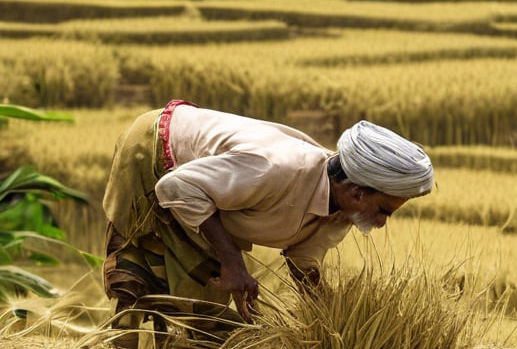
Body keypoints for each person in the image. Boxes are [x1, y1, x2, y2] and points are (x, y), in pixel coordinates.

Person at [102, 99, 433, 330]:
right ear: (359, 192)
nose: (381, 222)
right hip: (157, 153)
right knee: (145, 282)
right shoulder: (275, 169)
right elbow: (177, 189)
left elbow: (304, 258)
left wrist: (331, 314)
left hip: (212, 195)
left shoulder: (341, 211)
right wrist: (233, 261)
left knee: (203, 315)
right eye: (383, 211)